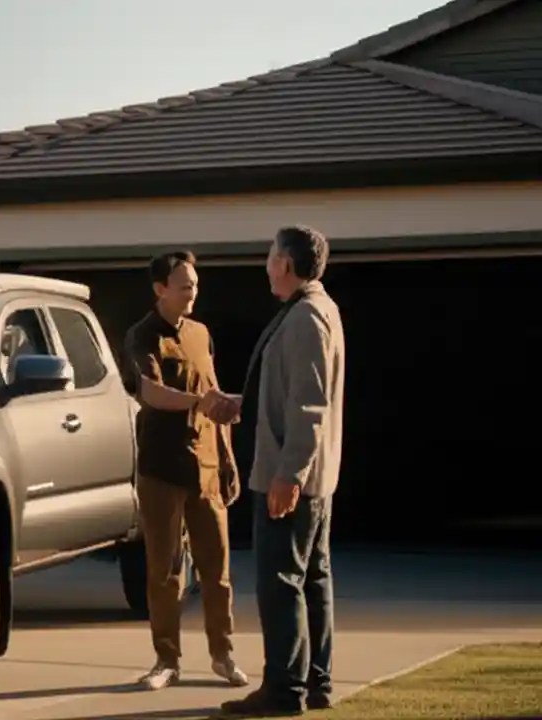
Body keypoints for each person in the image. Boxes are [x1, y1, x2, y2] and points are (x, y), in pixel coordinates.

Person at [216, 225, 345, 718]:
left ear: (286, 265)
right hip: (312, 476)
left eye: (270, 256)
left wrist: (288, 475)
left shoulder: (307, 318)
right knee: (312, 577)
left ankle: (284, 691)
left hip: (293, 478)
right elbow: (292, 393)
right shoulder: (316, 310)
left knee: (281, 582)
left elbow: (309, 405)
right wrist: (240, 404)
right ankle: (316, 684)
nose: (267, 264)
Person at [123, 250, 249, 692]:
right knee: (164, 572)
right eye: (183, 284)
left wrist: (229, 458)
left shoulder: (201, 333)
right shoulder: (142, 337)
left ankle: (224, 654)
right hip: (161, 469)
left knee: (217, 570)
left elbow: (214, 393)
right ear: (160, 289)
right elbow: (152, 392)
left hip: (208, 467)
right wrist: (196, 402)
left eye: (194, 283)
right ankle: (166, 660)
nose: (192, 291)